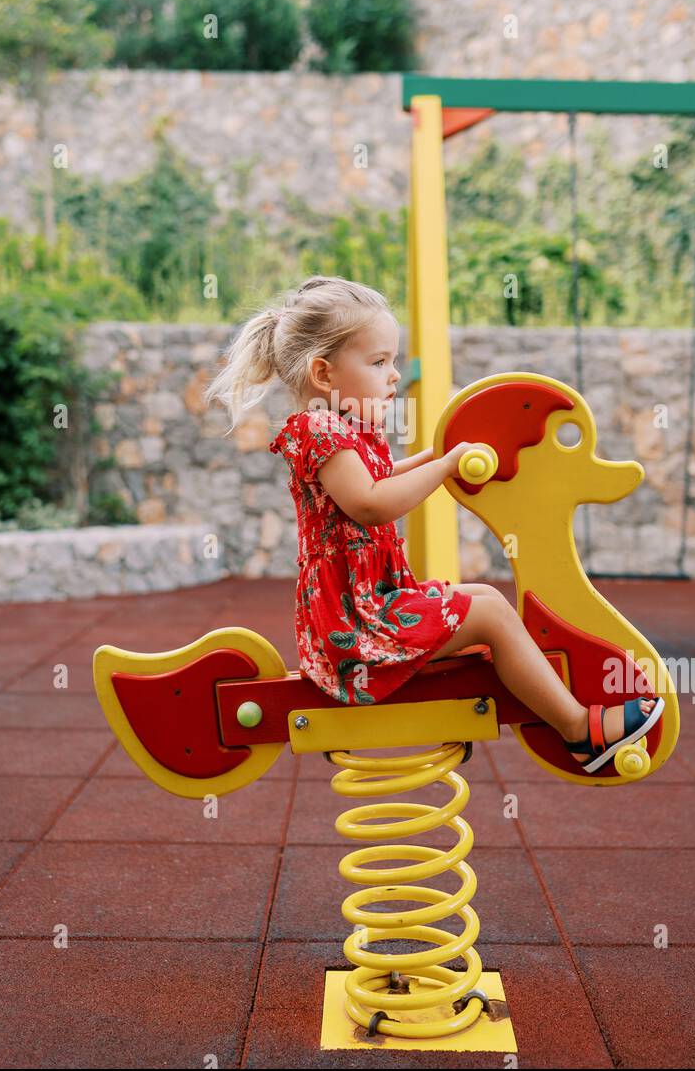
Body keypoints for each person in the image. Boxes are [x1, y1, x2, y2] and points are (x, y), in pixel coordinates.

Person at [204, 275, 662, 771]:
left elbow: (380, 477)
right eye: (379, 362)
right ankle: (578, 729)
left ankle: (542, 700)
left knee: (486, 598)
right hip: (353, 629)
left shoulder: (343, 430)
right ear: (324, 373)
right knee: (489, 616)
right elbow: (371, 504)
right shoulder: (318, 430)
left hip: (371, 607)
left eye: (392, 361)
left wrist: (436, 456)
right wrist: (443, 468)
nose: (394, 375)